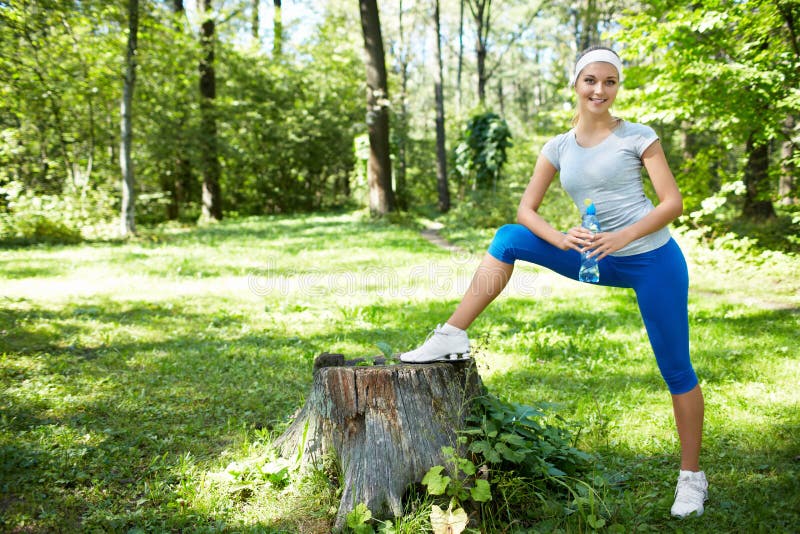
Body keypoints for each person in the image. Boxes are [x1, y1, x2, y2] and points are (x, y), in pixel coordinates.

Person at [400, 46, 708, 519]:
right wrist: (560, 238)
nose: (599, 90)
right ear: (576, 84)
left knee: (676, 369)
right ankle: (452, 334)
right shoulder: (558, 147)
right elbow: (526, 210)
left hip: (652, 260)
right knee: (509, 238)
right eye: (590, 80)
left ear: (617, 86)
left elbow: (672, 203)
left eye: (609, 81)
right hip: (591, 257)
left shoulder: (639, 137)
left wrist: (618, 236)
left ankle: (691, 478)